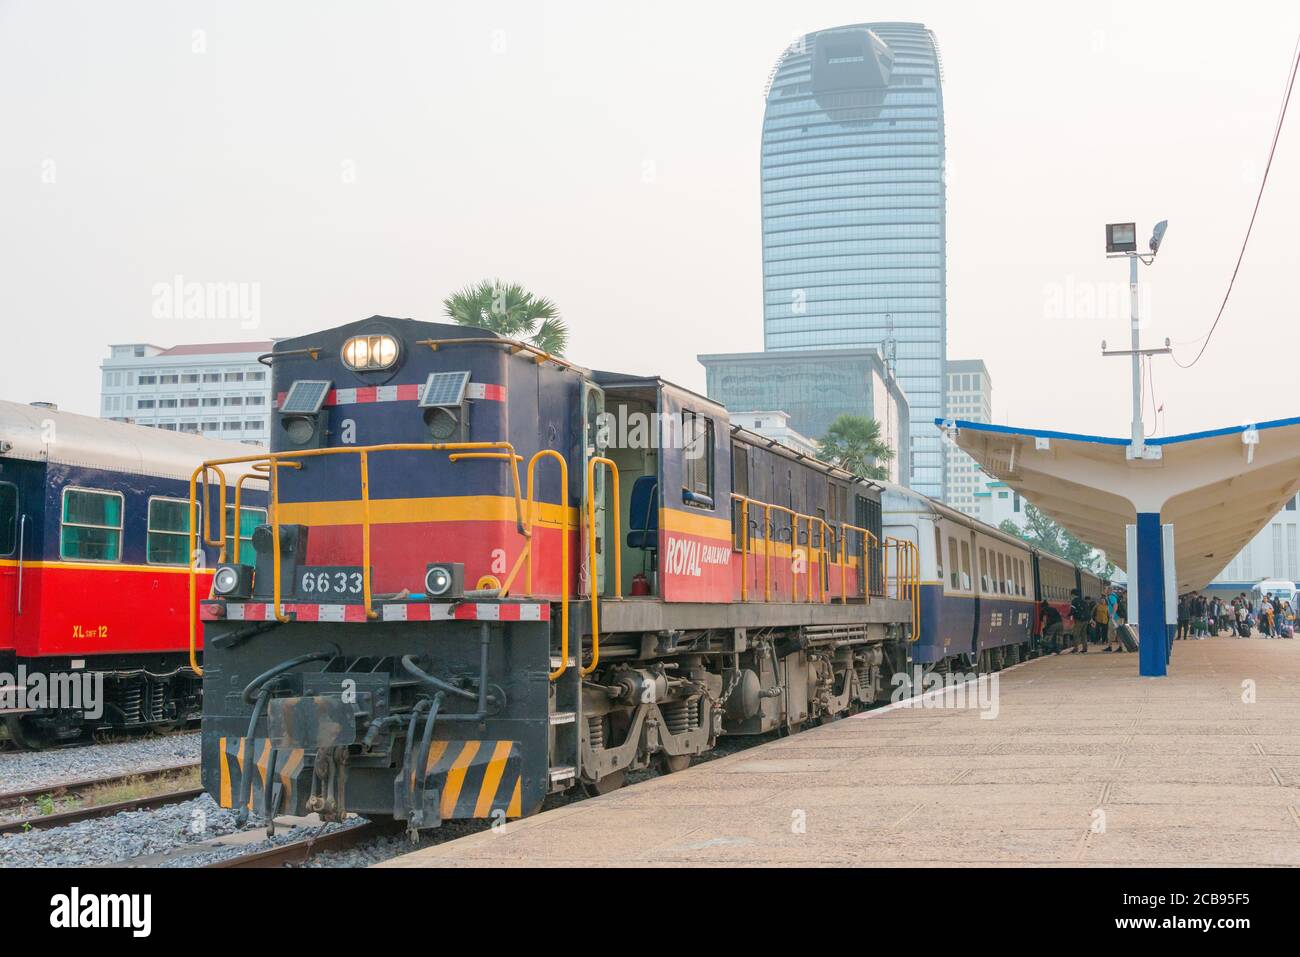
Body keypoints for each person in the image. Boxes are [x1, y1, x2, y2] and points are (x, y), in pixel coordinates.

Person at [1069, 589, 1089, 654]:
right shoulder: (1083, 601)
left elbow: (1072, 610)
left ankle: (1075, 648)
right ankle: (1085, 648)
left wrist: (1068, 615)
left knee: (1076, 634)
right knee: (1083, 634)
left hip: (1079, 620)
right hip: (1085, 620)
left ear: (1073, 595)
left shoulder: (1074, 601)